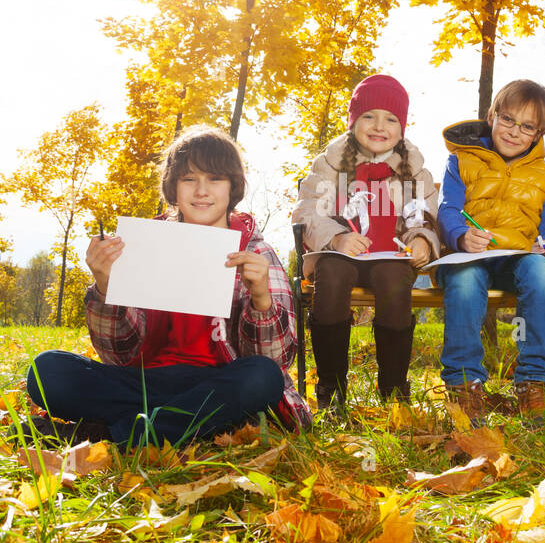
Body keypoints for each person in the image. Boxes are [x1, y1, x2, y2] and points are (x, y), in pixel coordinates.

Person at [23, 126, 311, 446]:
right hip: (146, 382)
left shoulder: (256, 251)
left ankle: (109, 434)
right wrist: (106, 285)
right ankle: (165, 429)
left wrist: (261, 300)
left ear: (233, 188)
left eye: (215, 179)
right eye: (189, 179)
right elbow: (118, 355)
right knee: (46, 370)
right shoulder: (145, 244)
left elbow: (276, 360)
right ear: (173, 188)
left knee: (262, 379)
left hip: (219, 383)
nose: (202, 190)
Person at [292, 74, 441, 409]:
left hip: (390, 255)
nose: (379, 126)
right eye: (369, 116)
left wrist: (420, 239)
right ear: (353, 121)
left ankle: (393, 390)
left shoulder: (412, 169)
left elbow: (422, 212)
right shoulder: (331, 163)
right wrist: (337, 236)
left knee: (392, 280)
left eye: (390, 119)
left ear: (401, 127)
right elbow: (308, 210)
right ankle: (331, 388)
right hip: (339, 254)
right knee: (331, 277)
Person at [436, 79, 545, 422]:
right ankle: (464, 385)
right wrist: (462, 235)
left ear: (538, 133)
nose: (514, 132)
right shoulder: (461, 160)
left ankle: (534, 382)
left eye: (527, 126)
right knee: (464, 281)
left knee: (541, 272)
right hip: (469, 256)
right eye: (507, 119)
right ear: (492, 115)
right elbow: (448, 209)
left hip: (518, 259)